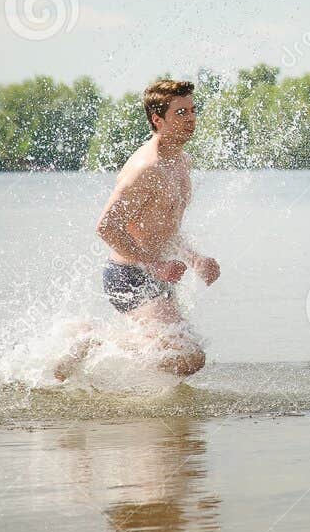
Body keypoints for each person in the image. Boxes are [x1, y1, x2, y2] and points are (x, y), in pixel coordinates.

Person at [91, 79, 221, 377]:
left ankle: (164, 421)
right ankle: (94, 340)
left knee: (183, 363)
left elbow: (166, 227)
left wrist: (195, 259)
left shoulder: (181, 161)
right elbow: (107, 227)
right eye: (180, 113)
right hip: (129, 276)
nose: (190, 119)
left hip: (159, 273)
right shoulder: (146, 169)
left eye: (192, 110)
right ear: (157, 120)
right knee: (185, 356)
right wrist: (152, 265)